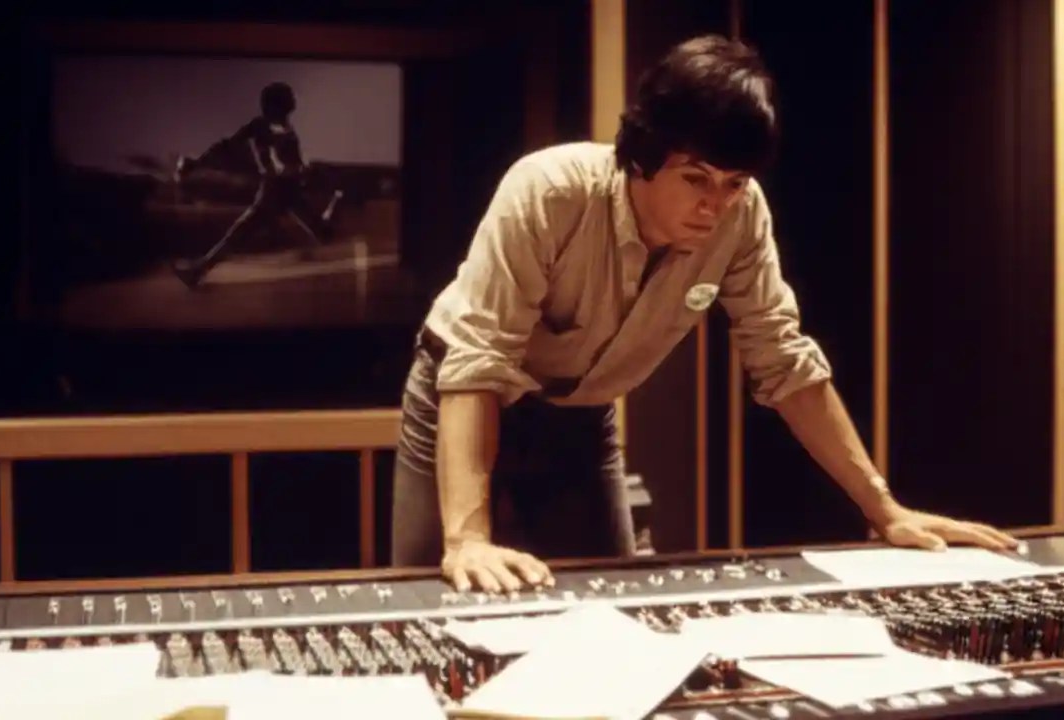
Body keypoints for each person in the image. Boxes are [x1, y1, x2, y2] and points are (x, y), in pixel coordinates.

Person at [391, 35, 1020, 593]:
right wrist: (467, 539)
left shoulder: (743, 216)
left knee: (614, 610)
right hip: (459, 395)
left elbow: (785, 361)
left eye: (735, 182)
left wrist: (886, 511)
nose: (715, 206)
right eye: (696, 179)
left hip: (582, 420)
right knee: (438, 594)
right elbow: (480, 359)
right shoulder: (550, 190)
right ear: (642, 155)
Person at [172, 81, 342, 289]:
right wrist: (197, 162)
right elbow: (228, 145)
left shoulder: (287, 128)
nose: (294, 101)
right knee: (239, 233)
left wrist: (301, 169)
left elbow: (291, 161)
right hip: (274, 190)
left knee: (320, 232)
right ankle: (198, 270)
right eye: (290, 98)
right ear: (278, 104)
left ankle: (198, 270)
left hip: (288, 190)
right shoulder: (260, 126)